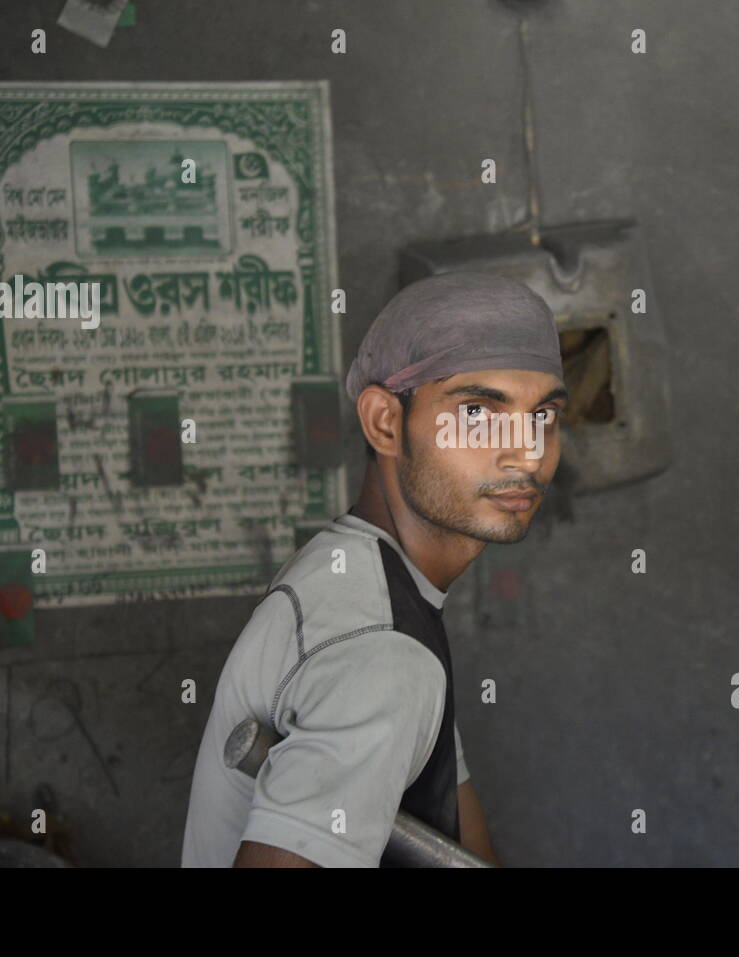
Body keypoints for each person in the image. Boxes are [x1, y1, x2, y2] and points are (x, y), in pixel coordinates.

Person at [181, 271, 568, 867]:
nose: (528, 451)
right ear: (385, 422)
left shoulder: (365, 581)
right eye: (477, 411)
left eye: (544, 415)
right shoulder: (381, 656)